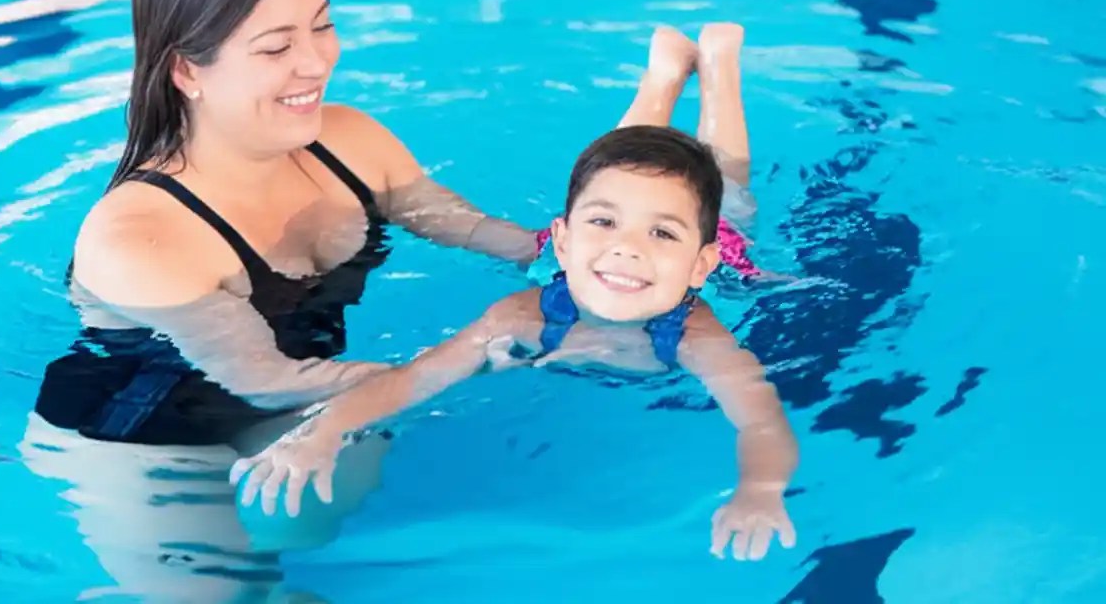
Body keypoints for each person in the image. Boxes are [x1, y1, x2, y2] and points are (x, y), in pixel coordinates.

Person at [17, 0, 769, 602]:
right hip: (141, 440)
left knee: (310, 524)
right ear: (186, 70)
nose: (315, 64)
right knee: (225, 592)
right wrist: (467, 358)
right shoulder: (142, 235)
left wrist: (605, 260)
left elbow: (476, 230)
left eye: (321, 27)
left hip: (303, 402)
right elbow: (265, 376)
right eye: (276, 47)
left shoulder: (346, 141)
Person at [230, 124, 798, 563]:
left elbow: (761, 422)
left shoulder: (700, 336)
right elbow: (413, 378)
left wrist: (760, 489)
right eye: (602, 225)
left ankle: (719, 63)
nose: (627, 249)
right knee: (631, 166)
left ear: (699, 266)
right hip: (617, 253)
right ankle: (664, 75)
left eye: (661, 235)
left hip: (734, 250)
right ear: (564, 242)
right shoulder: (522, 317)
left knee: (728, 184)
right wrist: (325, 431)